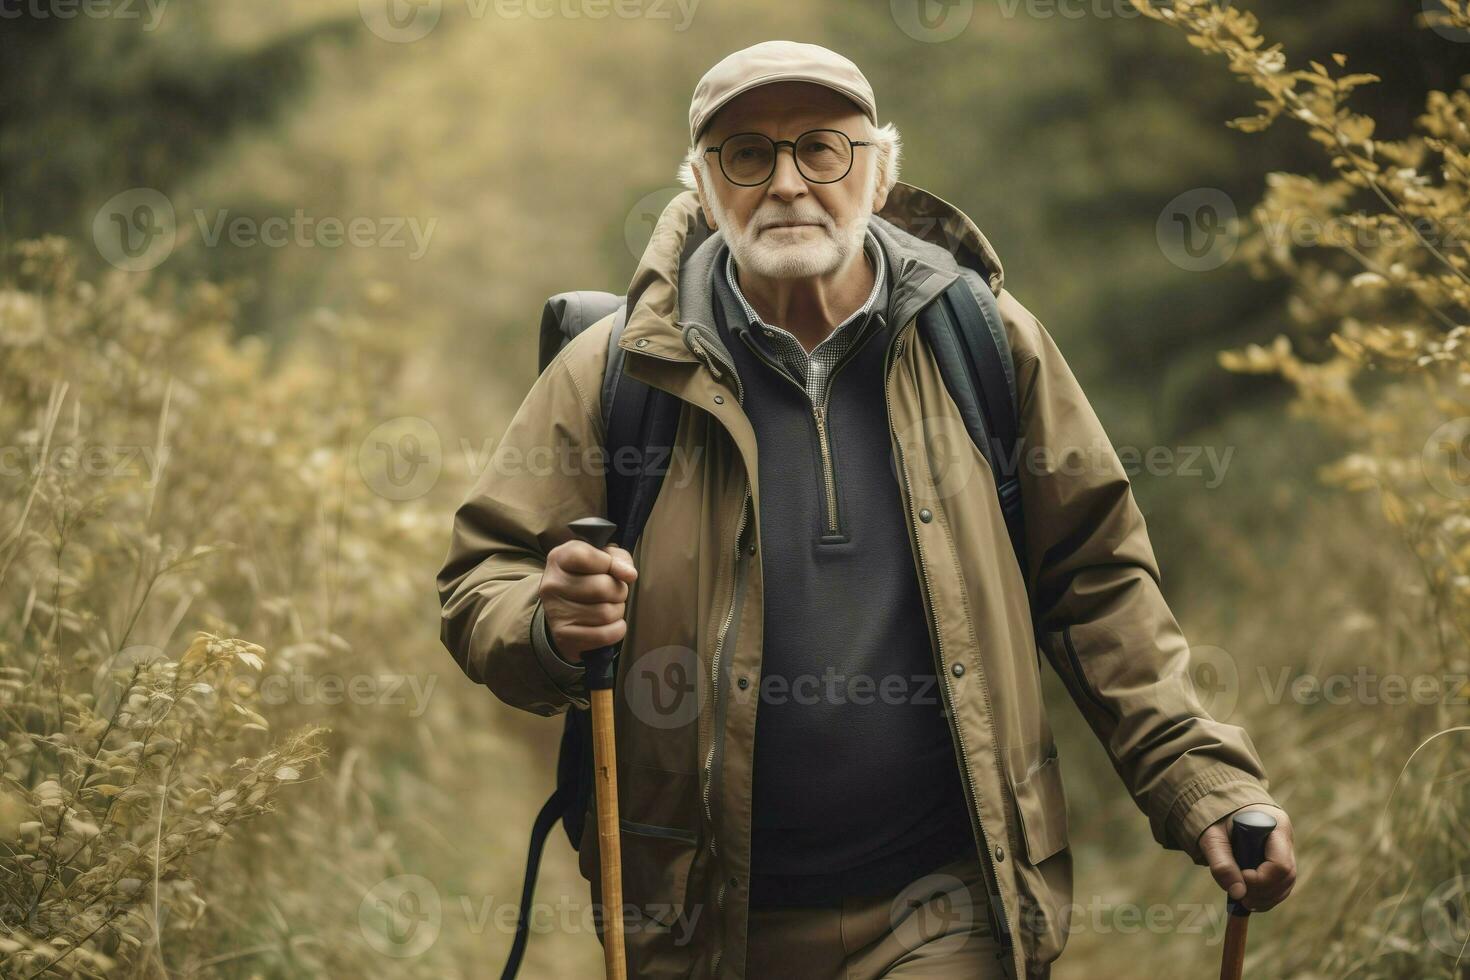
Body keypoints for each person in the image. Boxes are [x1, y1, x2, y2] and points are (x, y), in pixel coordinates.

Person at [437, 39, 1296, 980]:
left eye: (822, 148)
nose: (789, 183)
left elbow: (1095, 579)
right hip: (702, 923)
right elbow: (484, 578)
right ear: (703, 185)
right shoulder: (615, 370)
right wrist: (551, 624)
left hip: (945, 902)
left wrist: (1198, 780)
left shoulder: (983, 339)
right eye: (748, 155)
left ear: (880, 174)